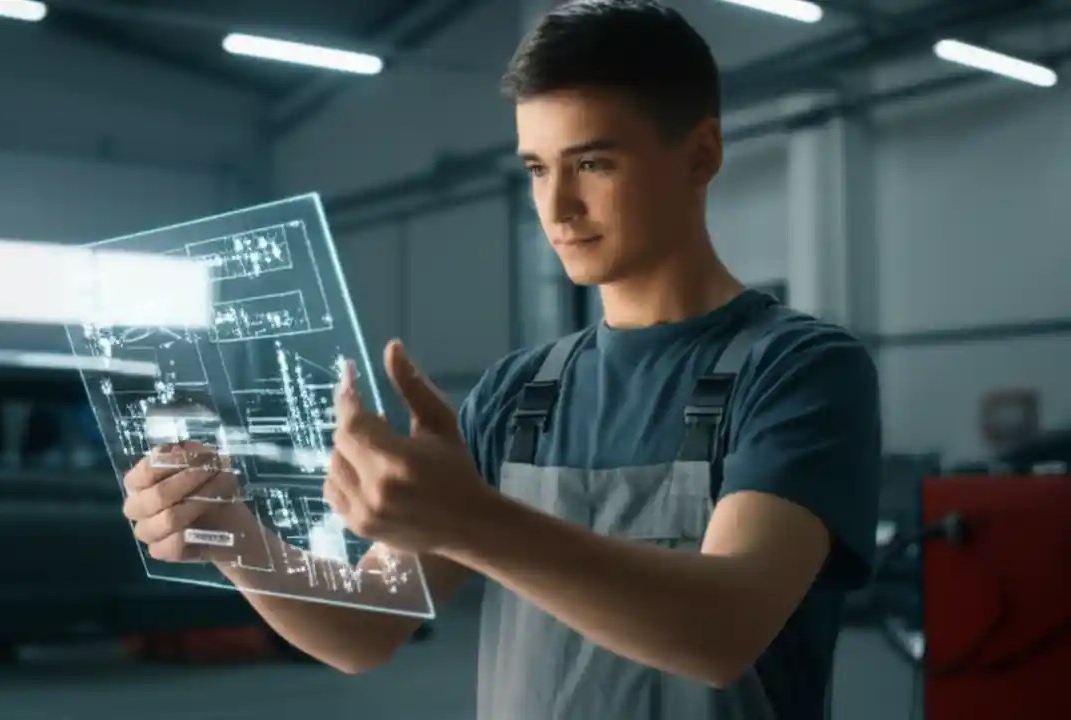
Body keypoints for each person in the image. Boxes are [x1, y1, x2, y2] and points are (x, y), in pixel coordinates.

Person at [121, 1, 881, 718]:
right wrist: (230, 533)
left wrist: (473, 520)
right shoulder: (520, 395)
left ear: (701, 154)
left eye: (593, 164)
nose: (556, 209)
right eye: (537, 169)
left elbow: (722, 630)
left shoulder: (799, 371)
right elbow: (368, 626)